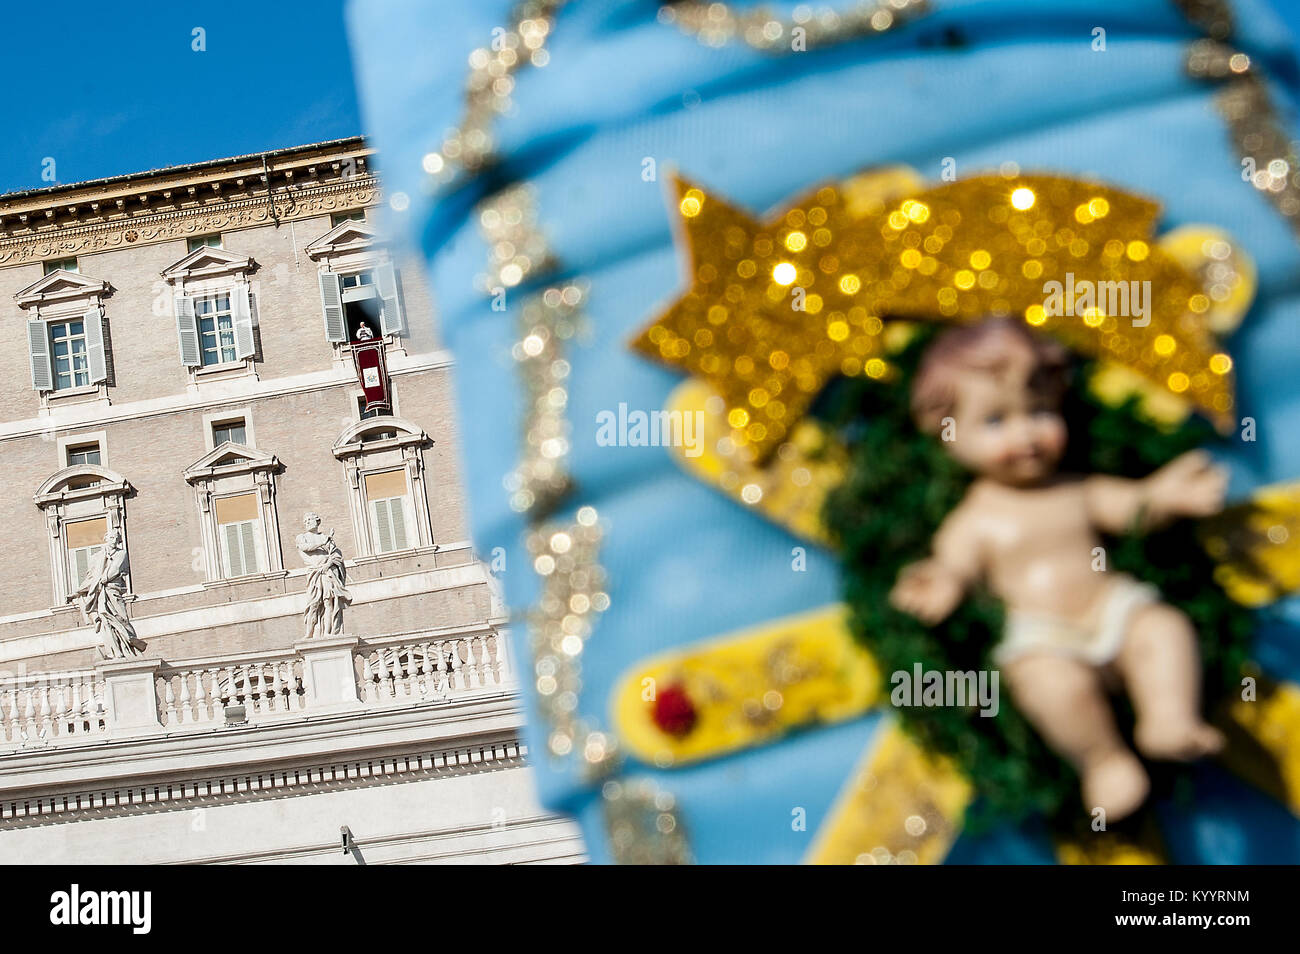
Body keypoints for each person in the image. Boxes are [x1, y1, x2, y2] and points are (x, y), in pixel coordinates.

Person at [890, 318, 1226, 821]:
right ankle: (1103, 760)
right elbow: (953, 562)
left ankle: (1168, 718)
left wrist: (1164, 496)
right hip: (1045, 637)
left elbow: (1131, 505)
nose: (1026, 434)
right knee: (1049, 688)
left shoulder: (1077, 489)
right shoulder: (976, 517)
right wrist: (941, 581)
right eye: (996, 421)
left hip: (1113, 609)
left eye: (1040, 411)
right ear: (948, 436)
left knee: (1164, 628)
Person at [76, 527, 145, 659]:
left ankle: (130, 644)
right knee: (105, 620)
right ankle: (114, 651)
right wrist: (81, 590)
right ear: (106, 539)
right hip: (101, 592)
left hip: (113, 590)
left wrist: (101, 580)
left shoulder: (121, 554)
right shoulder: (97, 557)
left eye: (116, 538)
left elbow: (115, 569)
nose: (114, 541)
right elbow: (90, 576)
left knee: (121, 618)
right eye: (111, 538)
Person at [296, 512, 351, 639]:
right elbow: (305, 548)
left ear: (318, 521)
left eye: (310, 519)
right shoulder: (302, 537)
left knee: (328, 602)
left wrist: (329, 564)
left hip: (327, 572)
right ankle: (309, 633)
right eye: (305, 521)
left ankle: (328, 632)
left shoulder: (326, 538)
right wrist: (324, 542)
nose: (307, 522)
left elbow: (336, 556)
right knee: (313, 604)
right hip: (314, 573)